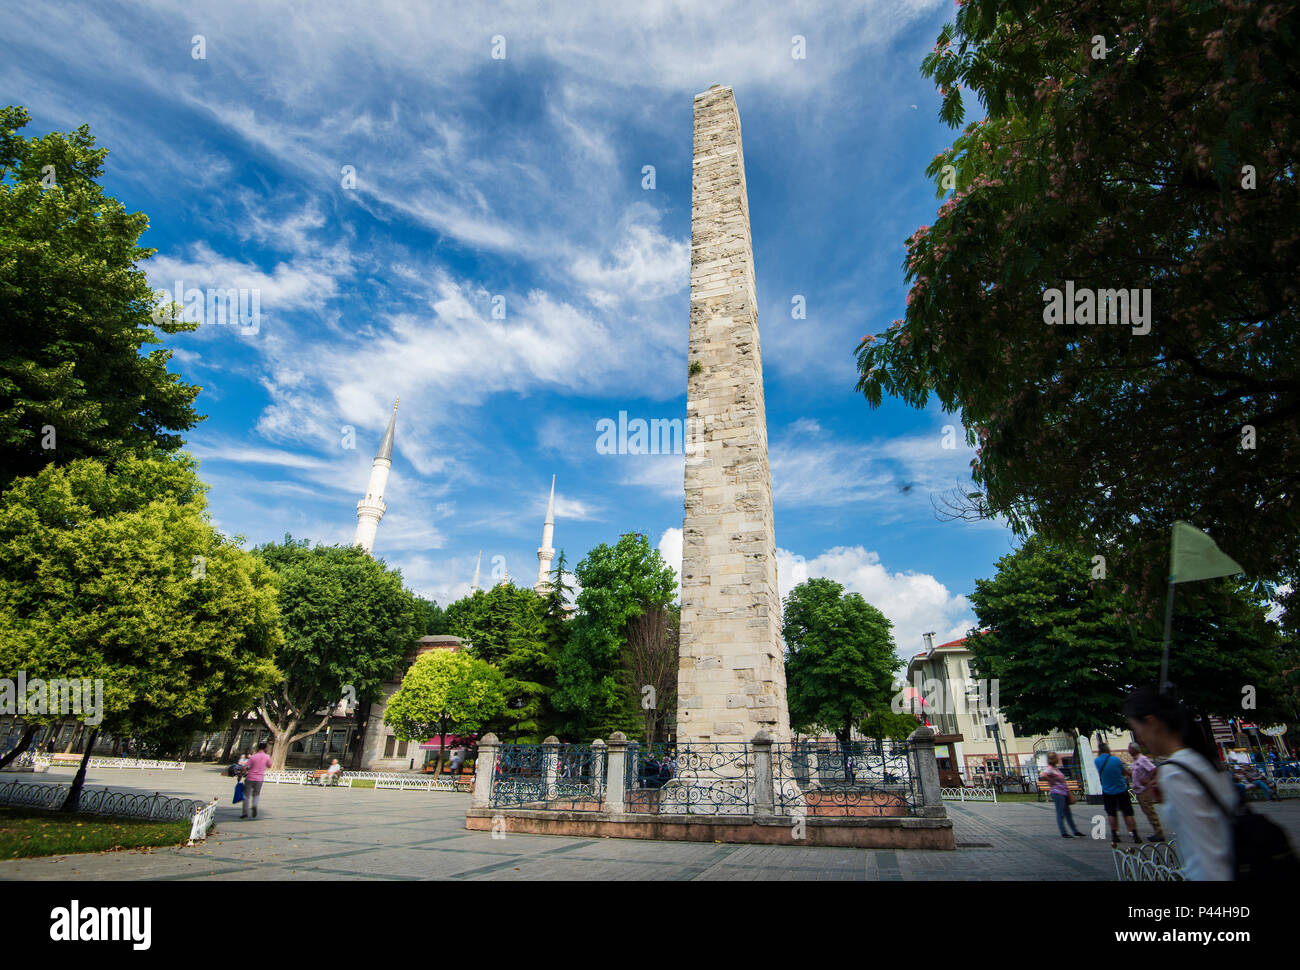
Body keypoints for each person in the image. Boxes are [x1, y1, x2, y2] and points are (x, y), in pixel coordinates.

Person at [1124, 688, 1236, 880]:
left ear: (1152, 722)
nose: (1139, 738)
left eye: (1137, 728)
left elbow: (1206, 857)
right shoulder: (1199, 760)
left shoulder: (1176, 773)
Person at [1095, 742, 1141, 845]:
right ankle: (1135, 834)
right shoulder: (1115, 759)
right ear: (1108, 749)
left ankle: (1114, 835)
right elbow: (1124, 772)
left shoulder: (1097, 761)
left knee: (1111, 813)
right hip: (1121, 789)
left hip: (1107, 791)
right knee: (1128, 813)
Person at [1128, 742, 1165, 842]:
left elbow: (1153, 769)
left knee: (1150, 811)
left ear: (1135, 749)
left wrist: (1147, 779)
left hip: (1144, 790)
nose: (1128, 750)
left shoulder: (1142, 759)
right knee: (1147, 812)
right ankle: (1156, 831)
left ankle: (1159, 833)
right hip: (1139, 791)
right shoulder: (1135, 761)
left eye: (1129, 748)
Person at [1042, 751, 1084, 838]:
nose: (1058, 759)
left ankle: (1075, 831)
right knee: (1060, 813)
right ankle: (1064, 832)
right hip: (1057, 792)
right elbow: (1043, 775)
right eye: (1056, 757)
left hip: (1063, 792)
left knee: (1068, 813)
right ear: (1054, 759)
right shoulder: (1049, 768)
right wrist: (1051, 781)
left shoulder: (1056, 768)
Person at [241, 742, 272, 819]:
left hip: (250, 777)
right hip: (259, 779)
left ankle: (245, 813)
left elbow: (245, 767)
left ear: (258, 748)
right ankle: (254, 805)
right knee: (256, 794)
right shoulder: (267, 757)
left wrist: (241, 774)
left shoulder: (253, 757)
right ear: (265, 748)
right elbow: (269, 765)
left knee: (246, 796)